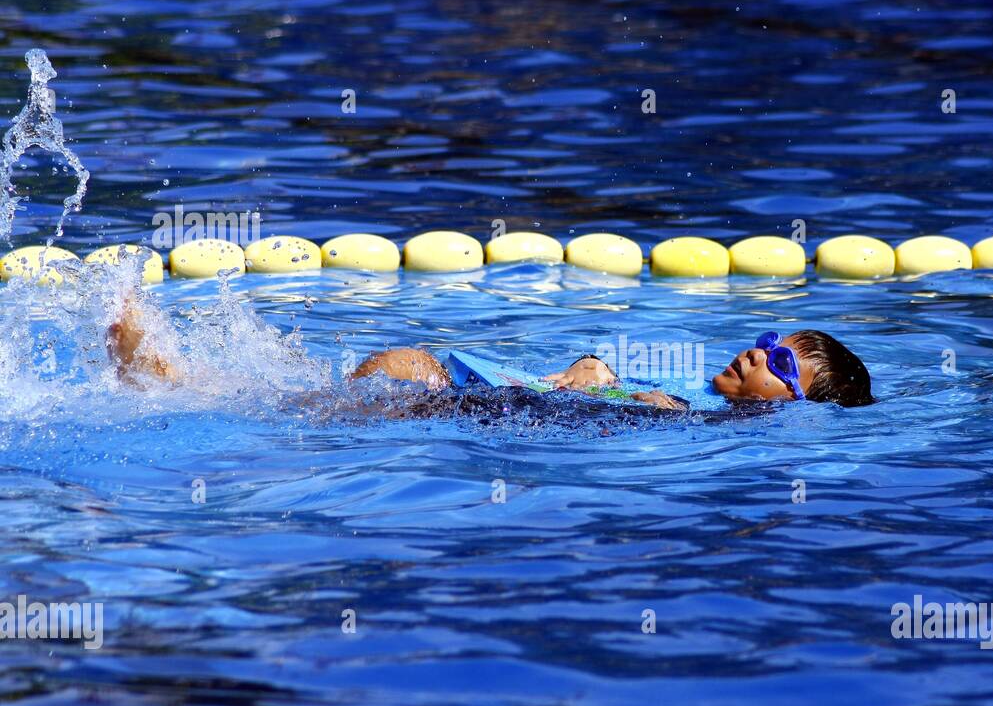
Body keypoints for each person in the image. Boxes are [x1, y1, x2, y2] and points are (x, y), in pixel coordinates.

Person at [105, 297, 874, 413]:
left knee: (374, 385)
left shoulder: (712, 424)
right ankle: (177, 381)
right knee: (367, 379)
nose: (759, 354)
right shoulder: (706, 398)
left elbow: (642, 415)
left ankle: (171, 383)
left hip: (504, 413)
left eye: (782, 367)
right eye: (771, 342)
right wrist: (591, 371)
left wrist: (595, 386)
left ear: (795, 408)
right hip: (519, 394)